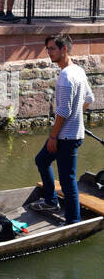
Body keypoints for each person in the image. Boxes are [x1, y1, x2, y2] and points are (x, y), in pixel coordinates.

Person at [31, 33, 93, 225]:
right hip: (71, 133)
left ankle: (73, 221)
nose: (49, 53)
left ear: (64, 49)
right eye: (48, 49)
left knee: (67, 181)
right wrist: (77, 116)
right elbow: (89, 99)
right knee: (42, 160)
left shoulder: (66, 76)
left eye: (52, 49)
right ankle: (51, 200)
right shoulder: (78, 71)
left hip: (66, 137)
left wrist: (53, 136)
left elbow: (63, 111)